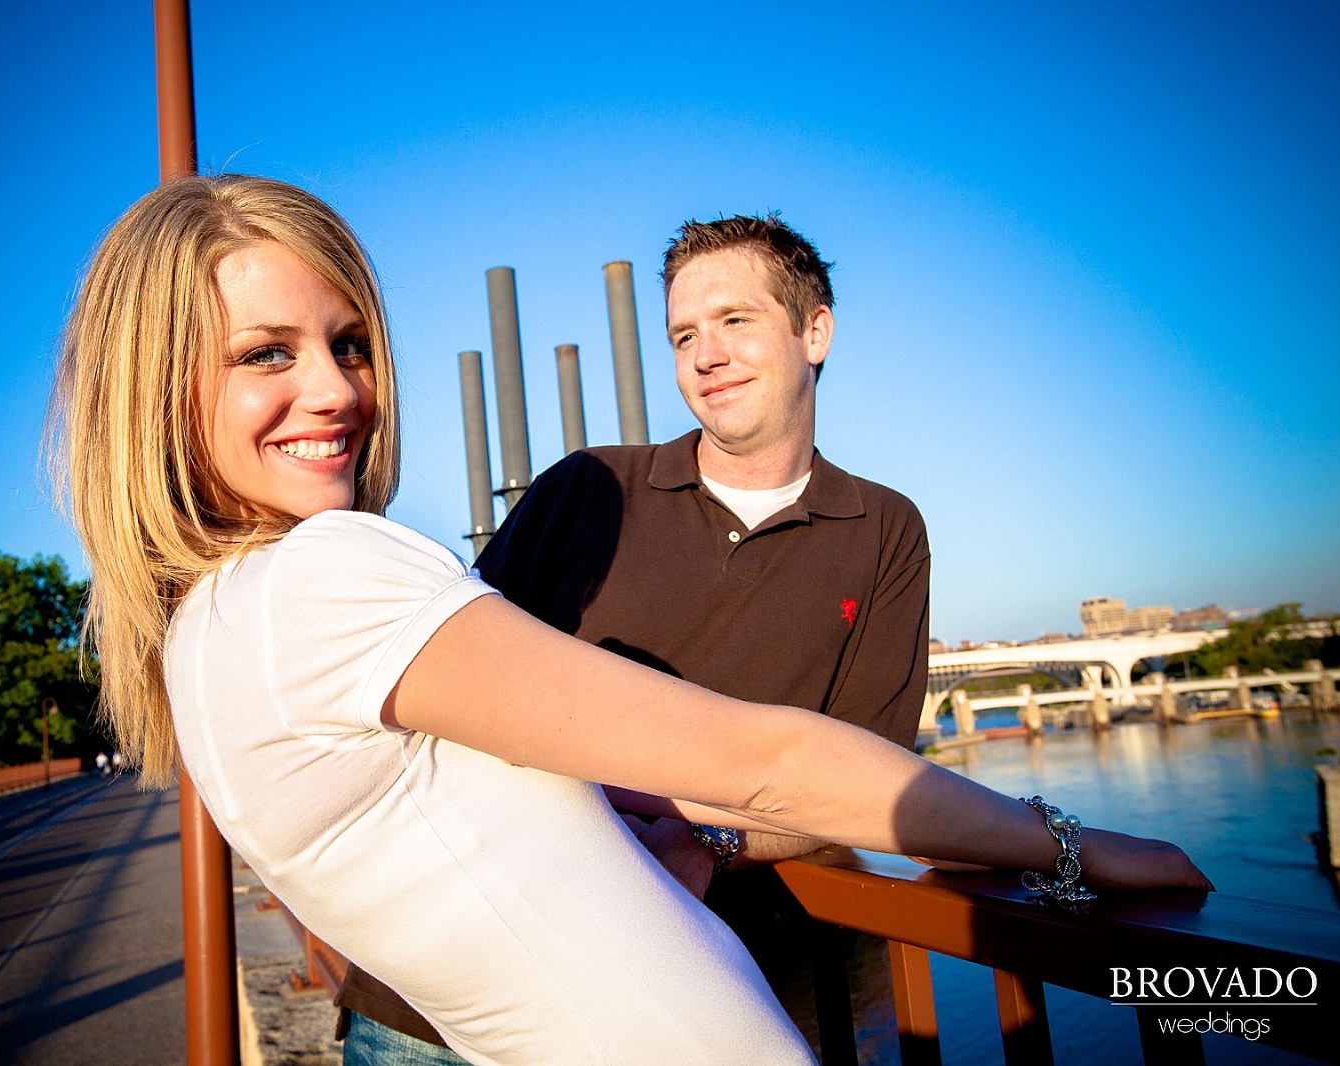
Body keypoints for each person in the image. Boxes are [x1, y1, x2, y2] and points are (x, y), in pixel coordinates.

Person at [49, 174, 1209, 1066]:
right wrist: (1075, 846)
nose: (341, 390)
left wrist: (688, 830)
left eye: (349, 344)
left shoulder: (209, 621)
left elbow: (464, 762)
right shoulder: (353, 565)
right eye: (267, 353)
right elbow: (761, 759)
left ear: (815, 332)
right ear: (156, 389)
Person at [336, 214, 932, 1060]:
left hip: (672, 1009)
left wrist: (708, 842)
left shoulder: (883, 529)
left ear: (816, 331)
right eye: (684, 333)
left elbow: (868, 775)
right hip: (439, 1007)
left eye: (736, 321)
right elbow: (434, 696)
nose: (706, 355)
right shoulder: (587, 489)